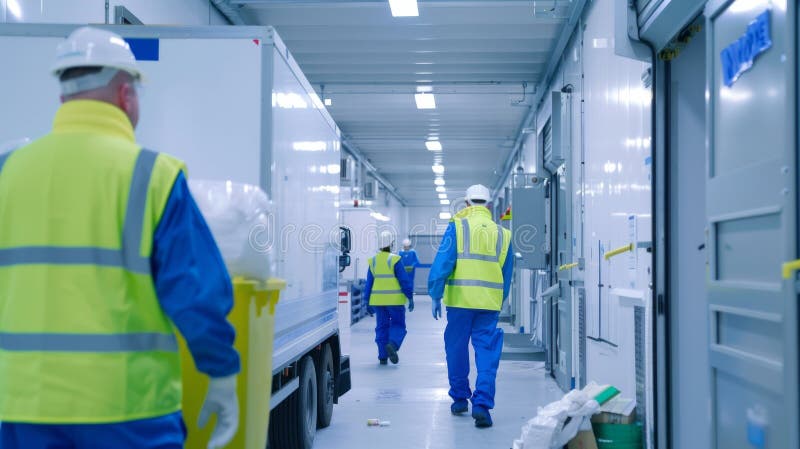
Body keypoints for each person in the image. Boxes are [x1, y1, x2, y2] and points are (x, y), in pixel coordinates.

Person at [0, 27, 240, 449]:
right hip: (129, 409)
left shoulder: (9, 171)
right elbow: (195, 292)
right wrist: (221, 372)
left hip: (22, 407)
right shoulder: (153, 176)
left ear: (63, 97)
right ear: (126, 94)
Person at [427, 184, 513, 428]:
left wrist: (435, 293)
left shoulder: (458, 226)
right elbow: (507, 274)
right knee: (487, 352)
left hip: (460, 302)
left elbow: (443, 262)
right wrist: (499, 299)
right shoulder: (503, 234)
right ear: (487, 204)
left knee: (456, 348)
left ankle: (459, 399)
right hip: (488, 304)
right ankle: (483, 404)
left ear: (467, 203)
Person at [364, 231, 415, 365]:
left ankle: (382, 356)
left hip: (378, 301)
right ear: (391, 244)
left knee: (381, 326)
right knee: (398, 324)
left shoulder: (373, 261)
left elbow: (368, 283)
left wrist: (366, 302)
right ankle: (392, 345)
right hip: (395, 301)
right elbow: (404, 281)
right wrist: (410, 297)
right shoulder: (395, 259)